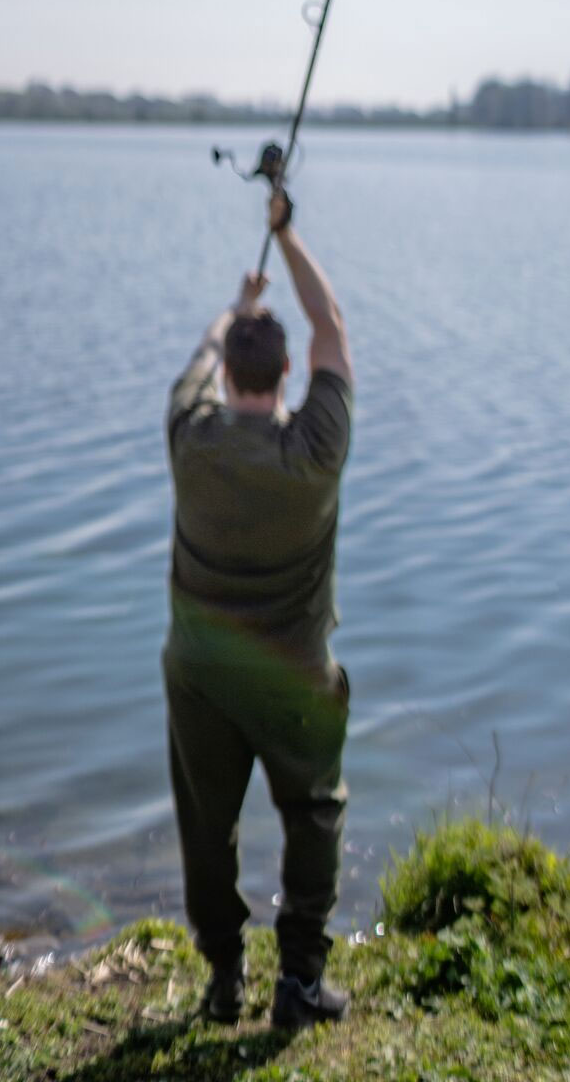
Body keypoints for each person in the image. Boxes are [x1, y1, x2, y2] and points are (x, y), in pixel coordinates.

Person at [162, 186, 354, 1030]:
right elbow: (333, 330)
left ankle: (222, 981)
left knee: (208, 827)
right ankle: (299, 984)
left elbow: (200, 358)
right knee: (311, 817)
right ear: (285, 376)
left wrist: (235, 306)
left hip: (200, 678)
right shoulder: (313, 449)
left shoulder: (188, 436)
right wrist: (289, 235)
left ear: (228, 373)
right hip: (296, 682)